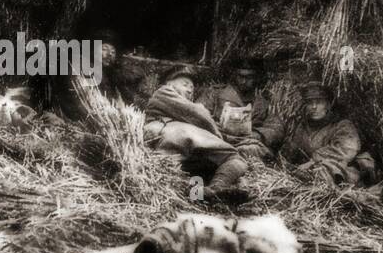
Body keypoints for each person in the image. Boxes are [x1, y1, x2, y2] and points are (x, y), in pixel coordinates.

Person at [143, 65, 249, 200]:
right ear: (169, 84)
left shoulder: (176, 107)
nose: (189, 90)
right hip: (174, 132)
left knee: (201, 171)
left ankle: (205, 194)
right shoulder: (163, 92)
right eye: (185, 84)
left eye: (192, 88)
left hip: (175, 143)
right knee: (234, 158)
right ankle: (216, 188)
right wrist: (218, 136)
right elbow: (199, 113)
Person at [259, 82, 362, 186]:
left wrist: (313, 161)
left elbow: (345, 150)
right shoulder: (301, 126)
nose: (314, 107)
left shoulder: (342, 125)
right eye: (309, 102)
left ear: (328, 104)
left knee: (322, 171)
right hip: (303, 177)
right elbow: (289, 153)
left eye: (319, 102)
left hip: (335, 177)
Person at [198, 60, 269, 161]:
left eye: (249, 78)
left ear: (256, 78)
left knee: (252, 150)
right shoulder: (215, 93)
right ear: (235, 76)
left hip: (246, 143)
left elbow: (275, 127)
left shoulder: (262, 103)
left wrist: (257, 134)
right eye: (241, 76)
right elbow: (198, 112)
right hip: (218, 138)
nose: (244, 81)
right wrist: (213, 124)